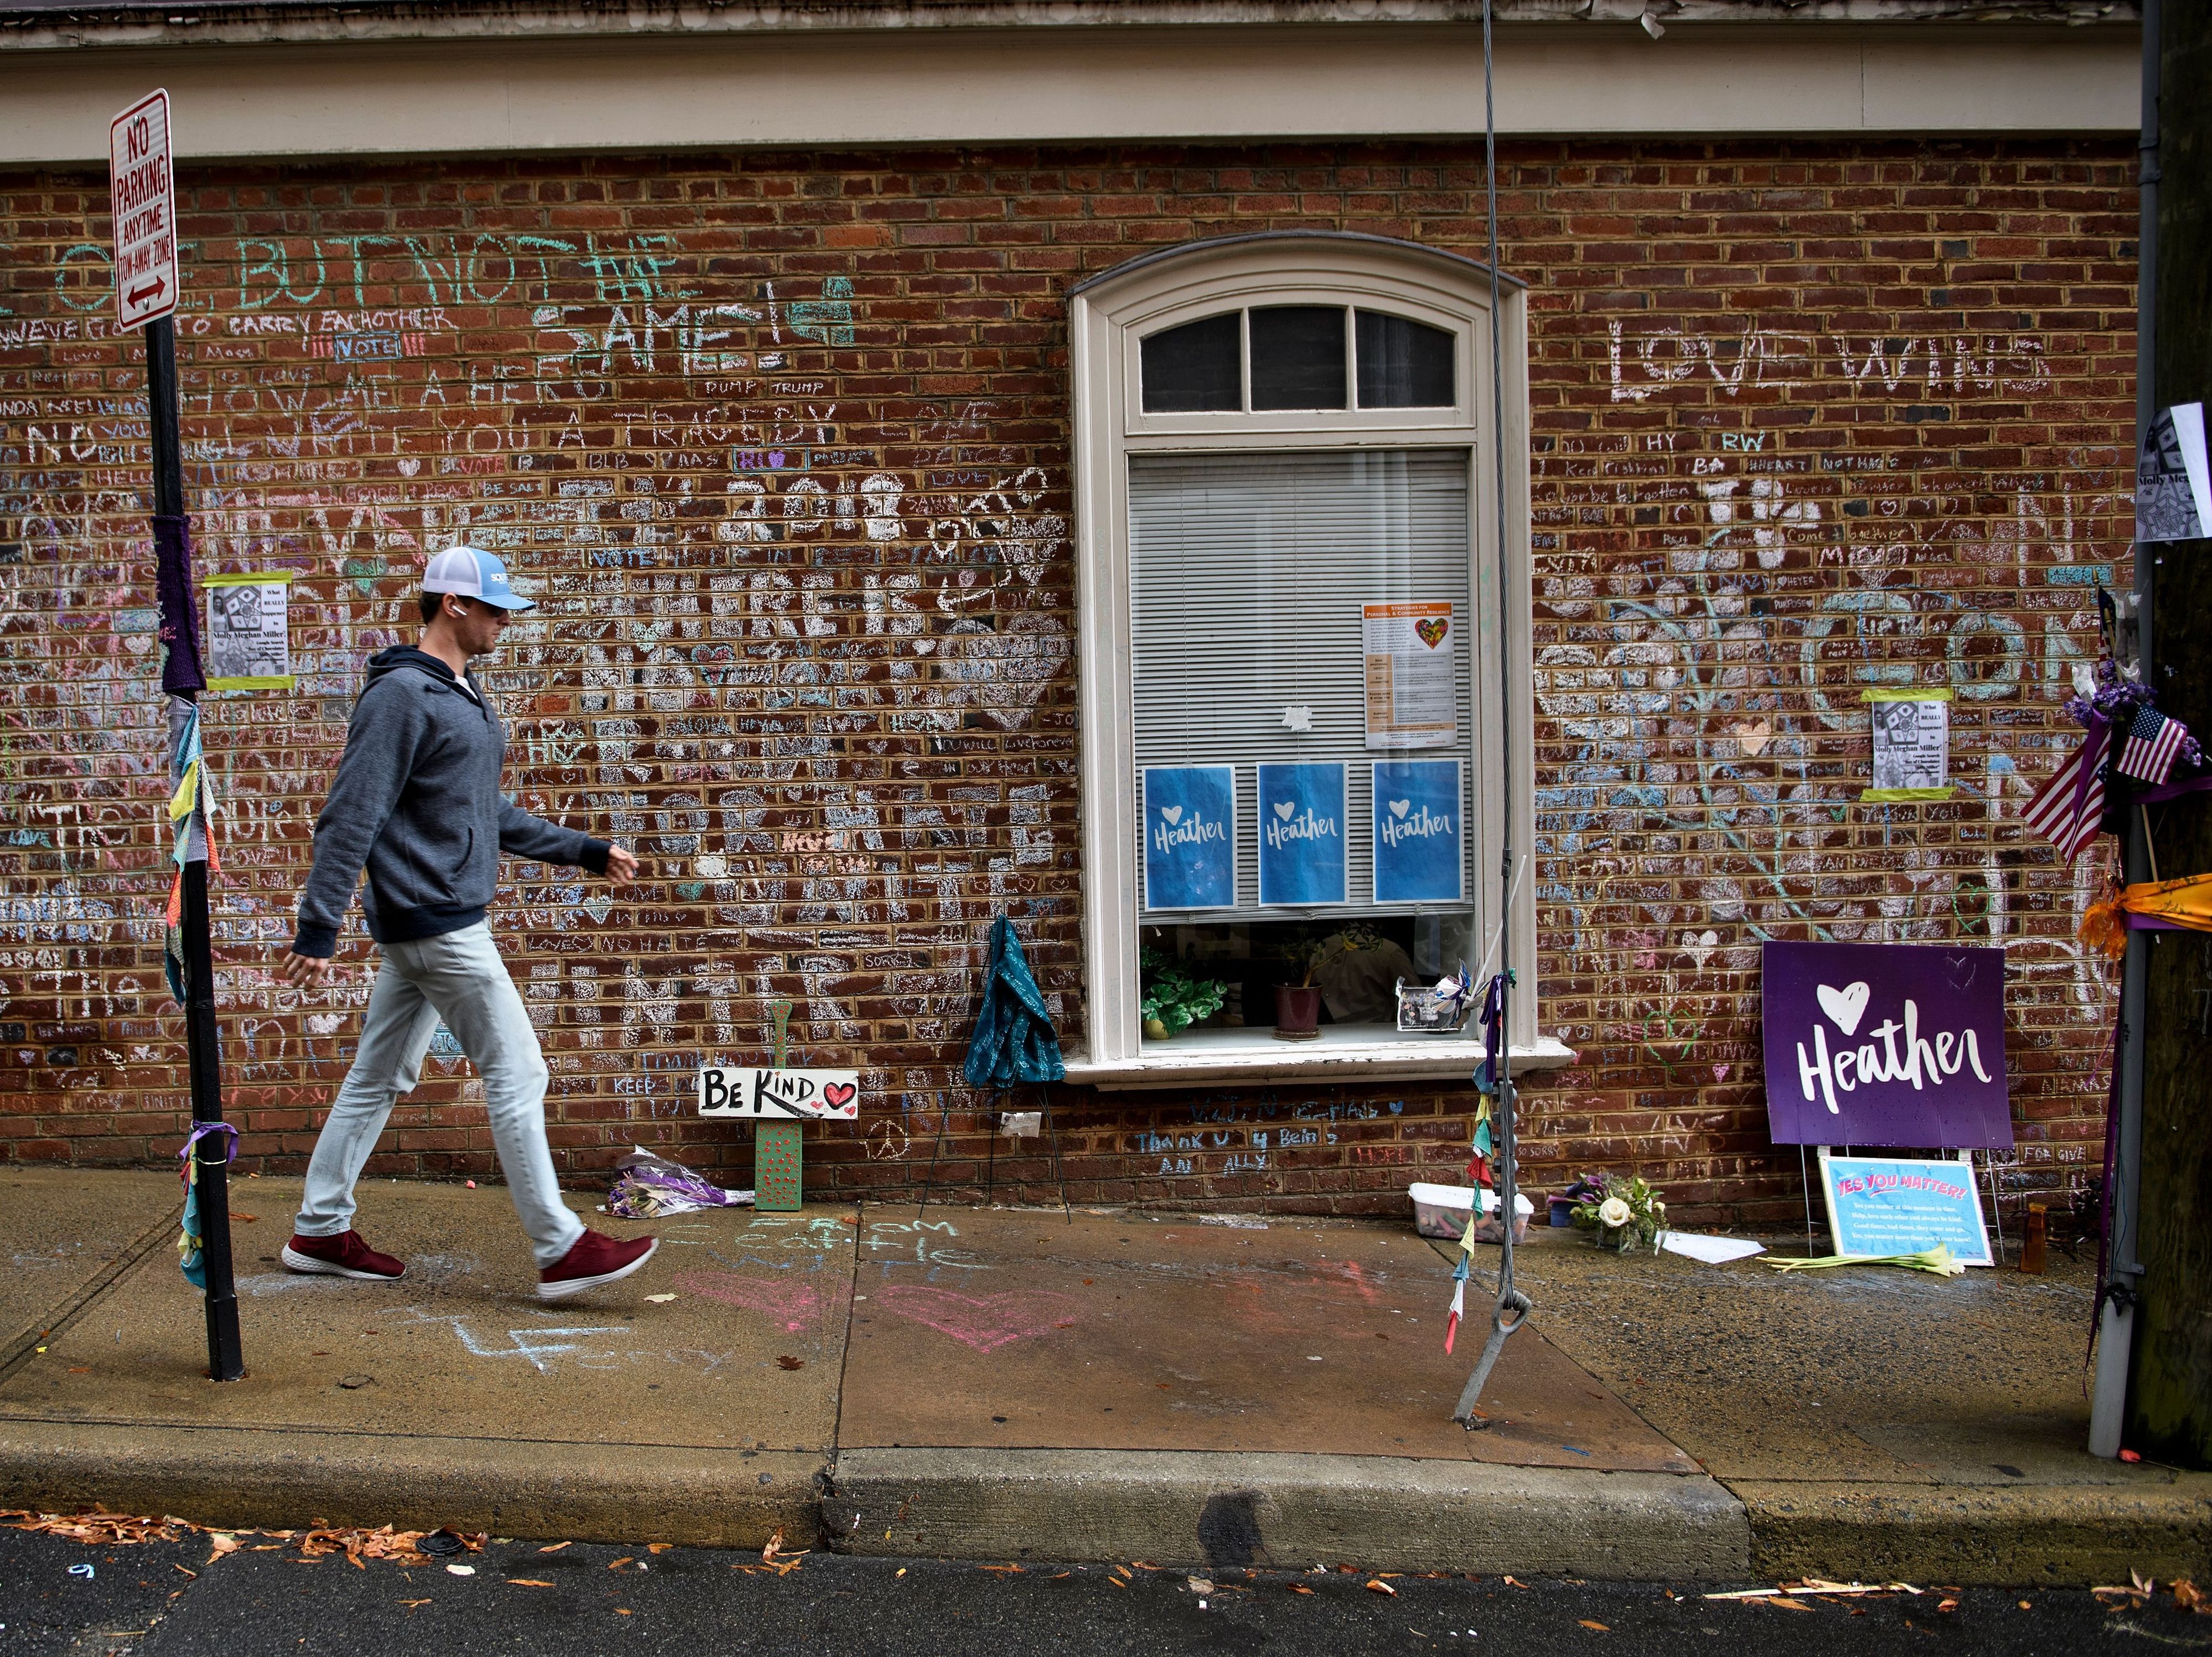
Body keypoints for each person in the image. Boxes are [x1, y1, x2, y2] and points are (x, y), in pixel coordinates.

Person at [279, 545, 657, 1301]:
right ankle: (561, 1247)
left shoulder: (461, 692)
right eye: (495, 609)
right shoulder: (401, 696)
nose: (504, 623)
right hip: (439, 926)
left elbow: (486, 811)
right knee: (519, 1071)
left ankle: (319, 1228)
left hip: (425, 925)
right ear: (453, 604)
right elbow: (350, 813)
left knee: (379, 1075)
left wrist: (584, 851)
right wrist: (318, 927)